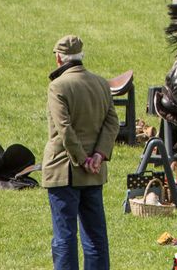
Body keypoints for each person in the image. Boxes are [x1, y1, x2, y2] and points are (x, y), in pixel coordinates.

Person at [44, 34, 117, 270]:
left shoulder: (58, 86)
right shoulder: (101, 83)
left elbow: (64, 129)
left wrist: (82, 158)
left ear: (58, 58)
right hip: (94, 172)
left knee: (64, 237)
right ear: (81, 57)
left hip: (64, 170)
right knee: (96, 237)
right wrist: (98, 155)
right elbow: (112, 123)